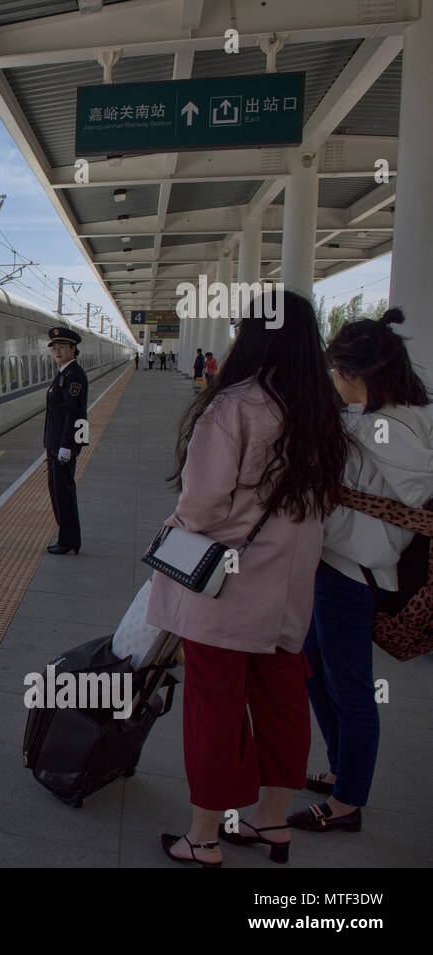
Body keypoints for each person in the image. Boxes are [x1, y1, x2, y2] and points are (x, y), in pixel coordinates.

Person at [149, 290, 350, 866]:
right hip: (289, 595)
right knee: (285, 704)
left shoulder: (233, 406)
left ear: (254, 336)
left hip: (225, 589)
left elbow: (203, 509)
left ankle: (205, 837)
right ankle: (271, 824)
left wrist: (177, 526)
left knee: (215, 706)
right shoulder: (323, 413)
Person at [290, 309, 433, 835]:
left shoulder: (385, 427)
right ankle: (340, 769)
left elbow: (417, 486)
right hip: (338, 568)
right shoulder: (390, 419)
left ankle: (347, 802)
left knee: (350, 687)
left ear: (360, 374)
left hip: (354, 575)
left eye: (337, 372)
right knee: (316, 669)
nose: (332, 381)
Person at [43, 326, 88, 555]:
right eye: (54, 348)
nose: (57, 351)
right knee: (57, 491)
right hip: (55, 444)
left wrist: (68, 446)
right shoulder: (63, 373)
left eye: (62, 347)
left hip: (63, 445)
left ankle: (69, 540)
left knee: (63, 493)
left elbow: (75, 413)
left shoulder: (74, 376)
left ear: (73, 348)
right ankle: (68, 537)